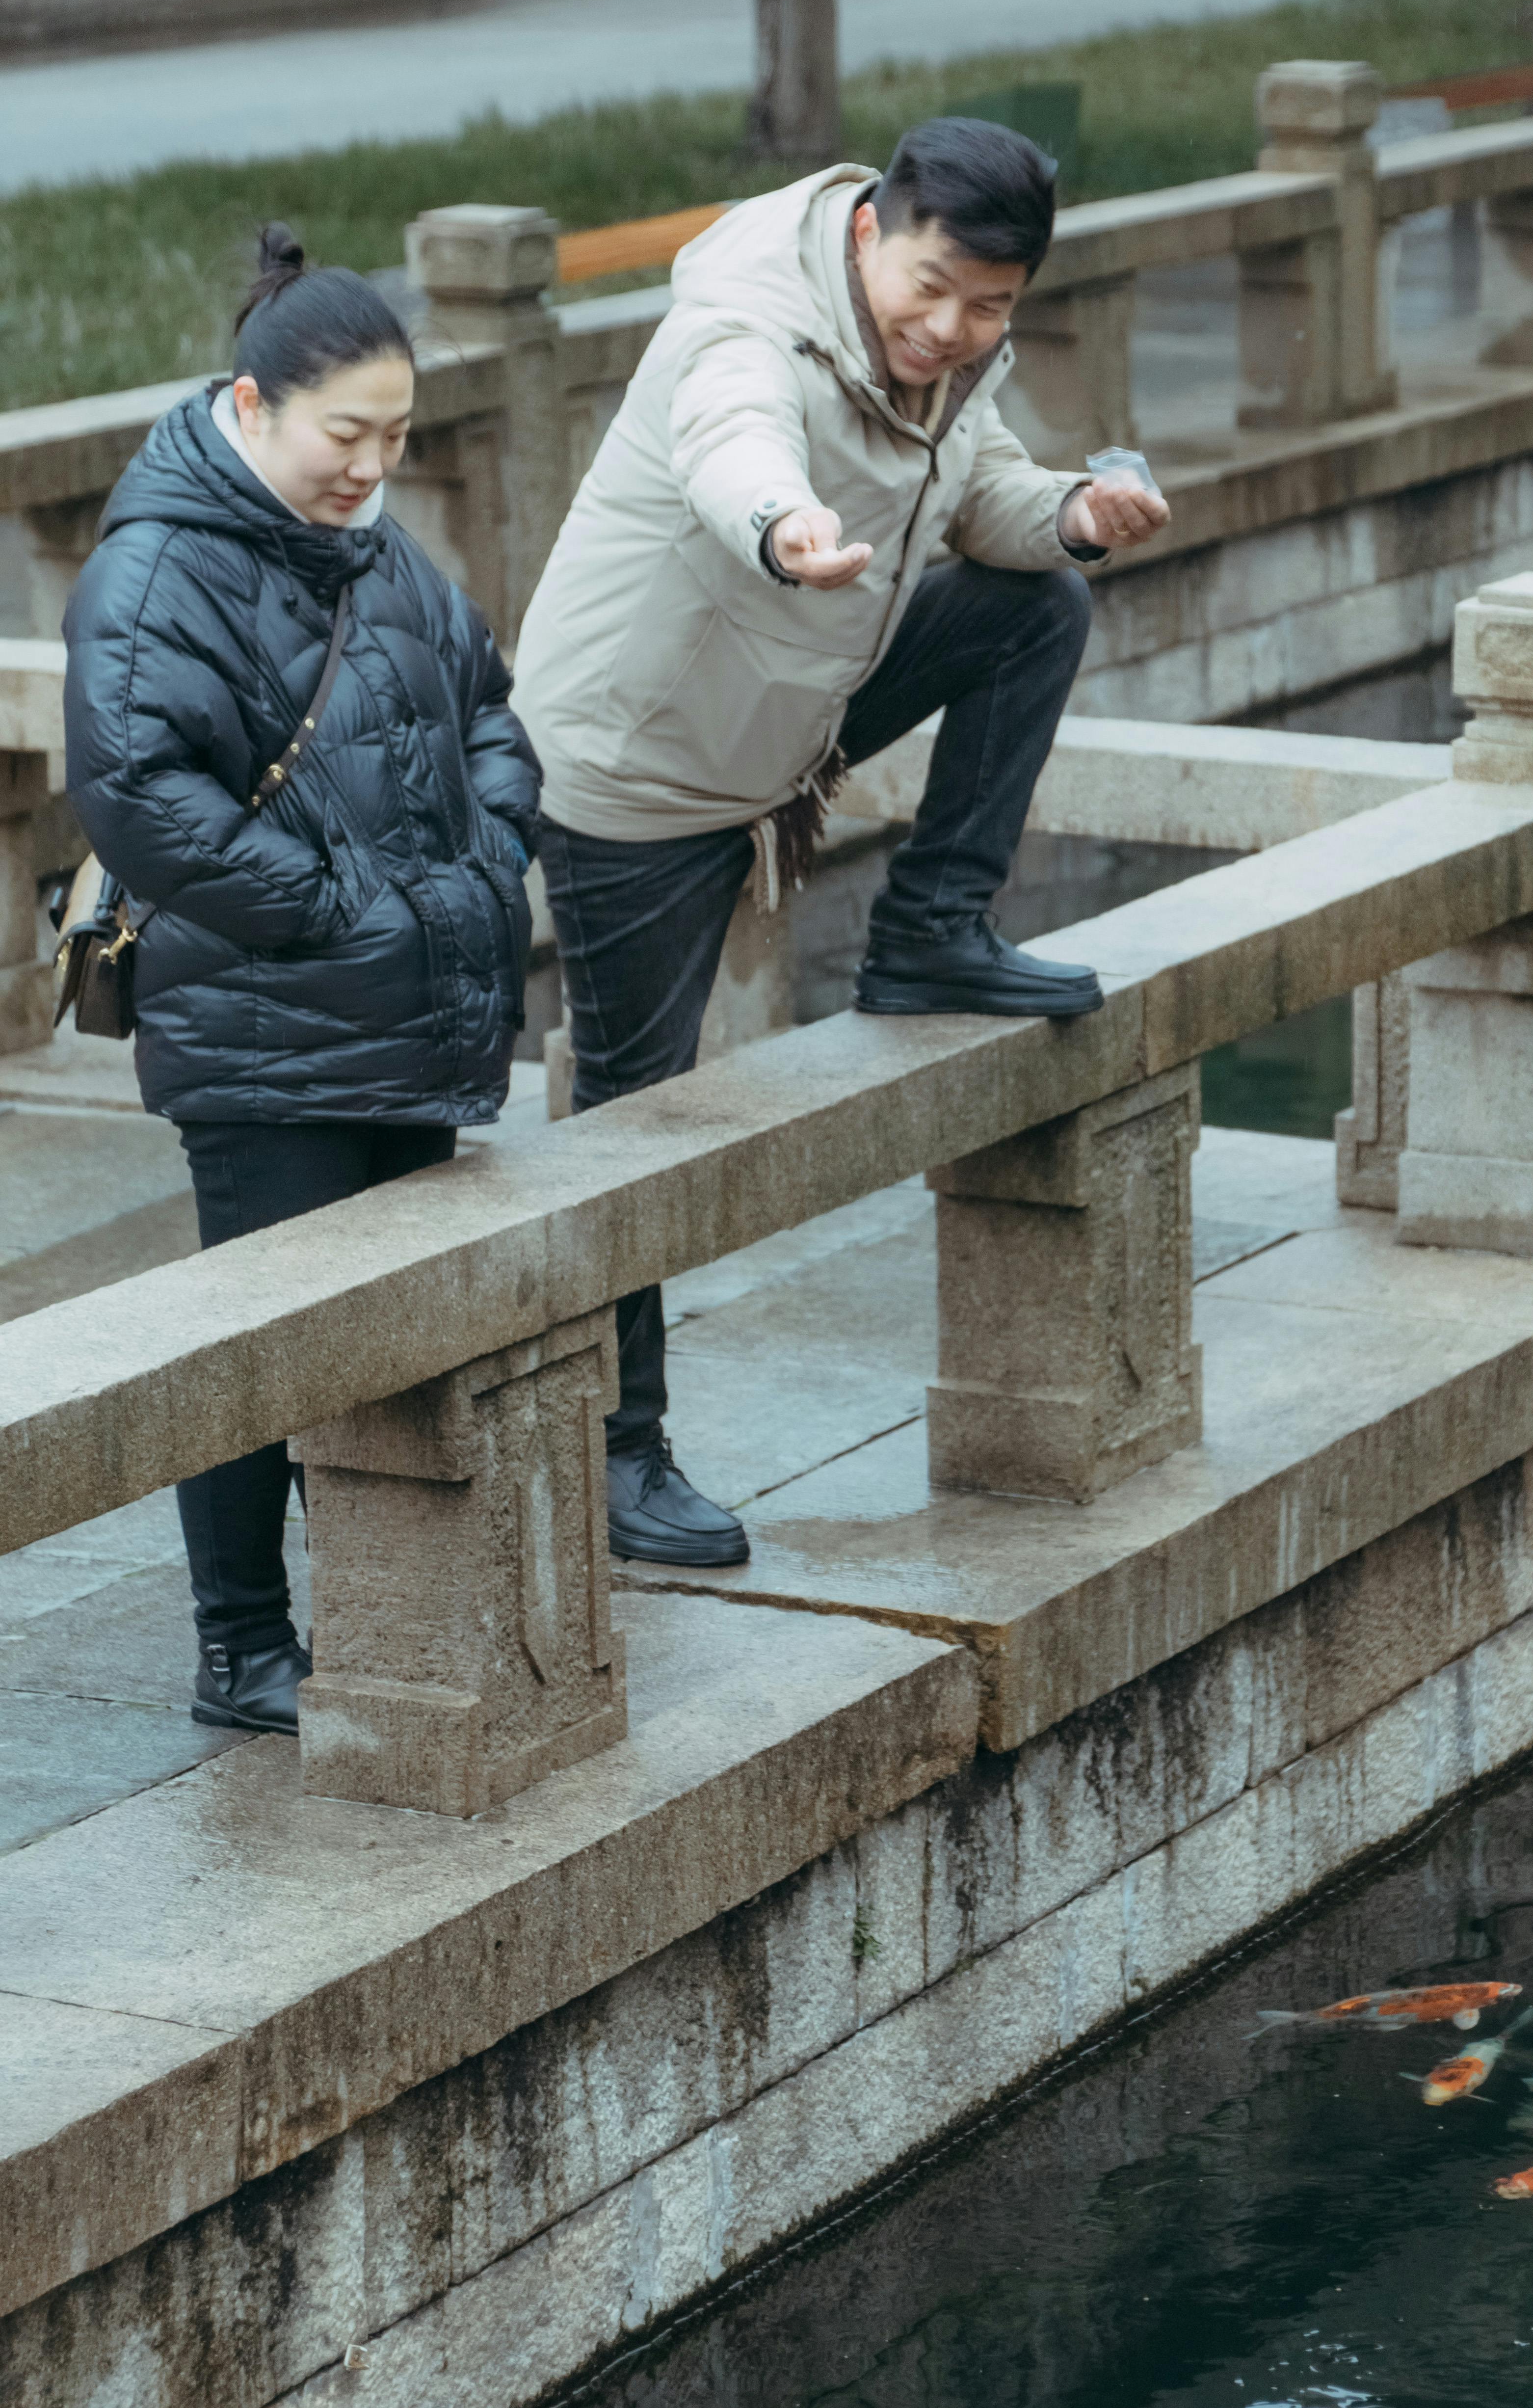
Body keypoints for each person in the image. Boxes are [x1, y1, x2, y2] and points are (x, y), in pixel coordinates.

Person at [511, 116, 1170, 1572]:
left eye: (991, 306)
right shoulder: (748, 318)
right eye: (931, 289)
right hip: (641, 763)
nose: (951, 329)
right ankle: (614, 1449)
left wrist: (1072, 510)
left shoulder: (955, 352)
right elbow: (727, 436)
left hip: (783, 710)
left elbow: (978, 495)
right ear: (872, 229)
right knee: (634, 1109)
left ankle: (931, 934)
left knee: (1039, 602)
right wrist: (783, 520)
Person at [62, 225, 541, 1738]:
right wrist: (338, 912)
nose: (373, 468)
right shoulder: (156, 572)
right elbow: (137, 794)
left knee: (398, 1327)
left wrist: (493, 845)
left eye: (398, 439)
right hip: (265, 1023)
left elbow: (484, 705)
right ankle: (241, 1641)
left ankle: (380, 1604)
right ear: (254, 403)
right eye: (350, 435)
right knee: (257, 1349)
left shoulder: (375, 543)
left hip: (408, 999)